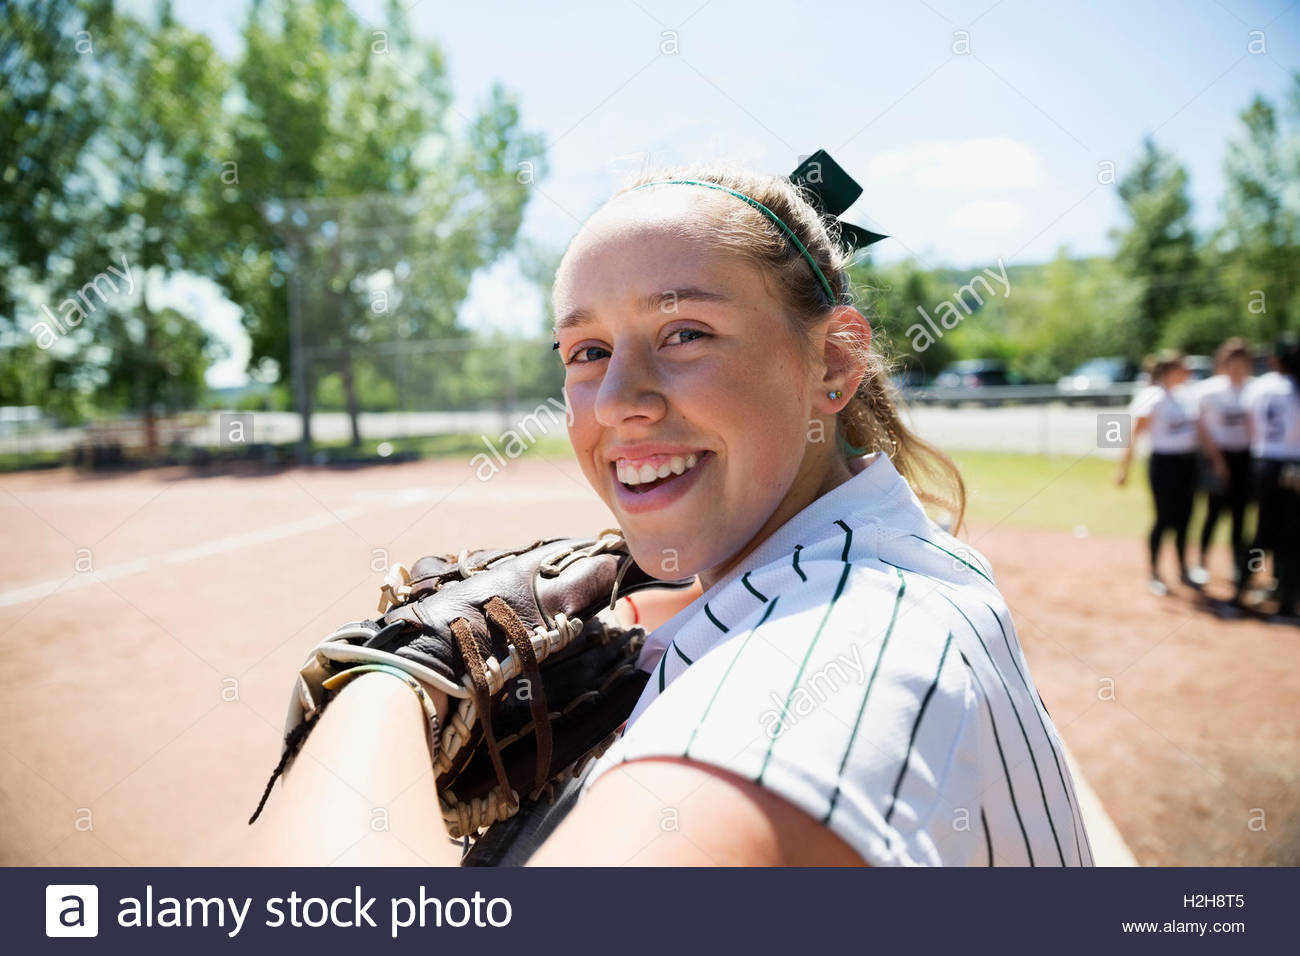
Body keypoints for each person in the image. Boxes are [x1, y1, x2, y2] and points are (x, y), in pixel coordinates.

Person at [245, 158, 1093, 866]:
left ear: (833, 362)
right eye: (586, 351)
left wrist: (397, 672)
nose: (618, 400)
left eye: (684, 331)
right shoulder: (895, 560)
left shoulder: (836, 655)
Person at [1117, 351, 1203, 595]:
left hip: (1188, 463)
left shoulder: (1185, 395)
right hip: (1164, 465)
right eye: (1181, 367)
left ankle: (1183, 569)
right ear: (1168, 370)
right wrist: (1124, 468)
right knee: (1164, 518)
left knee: (1186, 518)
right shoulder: (1152, 396)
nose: (1187, 371)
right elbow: (1134, 434)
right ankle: (1154, 573)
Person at [1234, 335, 1300, 622]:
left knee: (1262, 532)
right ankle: (1286, 601)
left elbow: (1251, 428)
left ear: (1275, 360)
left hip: (1265, 464)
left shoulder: (1260, 387)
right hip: (1295, 464)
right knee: (1292, 535)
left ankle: (1240, 592)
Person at [1189, 338, 1255, 585]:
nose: (1237, 369)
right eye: (1231, 363)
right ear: (1223, 364)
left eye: (1241, 363)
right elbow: (1200, 425)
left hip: (1245, 457)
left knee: (1241, 515)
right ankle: (1202, 561)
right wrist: (1215, 459)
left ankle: (1238, 565)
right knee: (1213, 512)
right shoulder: (1210, 390)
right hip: (1217, 455)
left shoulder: (1253, 389)